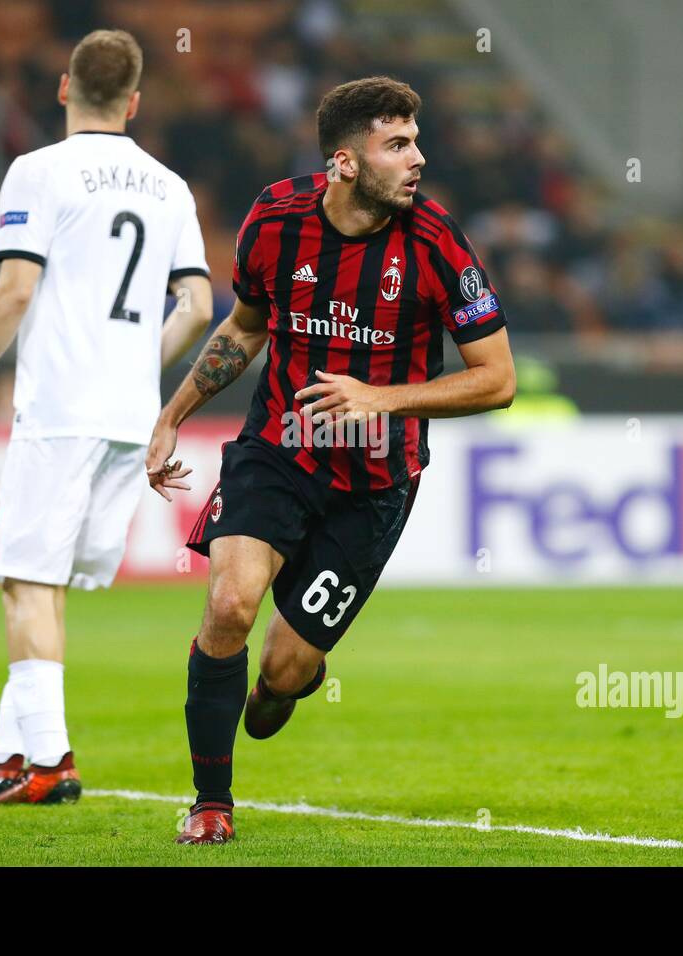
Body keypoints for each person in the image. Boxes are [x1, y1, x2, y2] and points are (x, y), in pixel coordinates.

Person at [146, 76, 516, 844]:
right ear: (346, 163)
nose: (419, 157)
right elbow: (245, 327)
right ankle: (211, 805)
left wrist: (383, 399)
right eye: (398, 144)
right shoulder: (275, 219)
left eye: (416, 140)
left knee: (280, 676)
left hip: (376, 484)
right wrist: (172, 413)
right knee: (229, 605)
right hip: (278, 450)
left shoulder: (439, 244)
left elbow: (498, 379)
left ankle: (284, 683)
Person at [0, 29, 213, 805]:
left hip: (59, 408)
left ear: (63, 89)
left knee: (24, 580)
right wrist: (136, 366)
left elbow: (17, 289)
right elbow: (195, 306)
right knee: (46, 581)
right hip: (128, 413)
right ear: (134, 101)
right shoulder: (169, 186)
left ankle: (52, 763)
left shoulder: (37, 171)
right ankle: (5, 757)